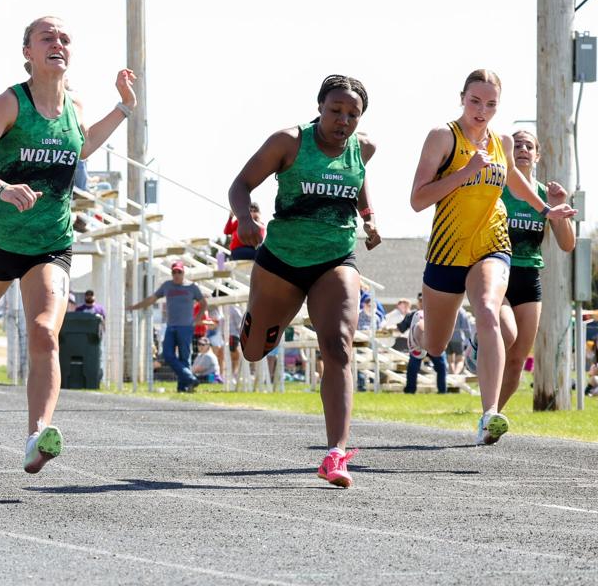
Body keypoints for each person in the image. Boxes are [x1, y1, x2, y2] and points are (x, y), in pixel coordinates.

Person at [0, 16, 136, 474]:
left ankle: (36, 435)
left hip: (50, 243)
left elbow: (84, 144)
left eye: (64, 38)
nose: (58, 43)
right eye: (47, 37)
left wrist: (124, 107)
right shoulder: (9, 104)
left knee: (44, 332)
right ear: (28, 53)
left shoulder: (74, 104)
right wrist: (1, 187)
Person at [228, 75, 380, 488]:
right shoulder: (289, 142)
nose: (343, 120)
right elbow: (241, 184)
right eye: (335, 111)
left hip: (336, 259)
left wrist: (368, 219)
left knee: (339, 345)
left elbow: (358, 181)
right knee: (255, 351)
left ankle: (335, 454)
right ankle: (256, 325)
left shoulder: (363, 147)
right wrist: (245, 219)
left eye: (352, 114)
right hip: (282, 259)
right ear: (319, 108)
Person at [409, 69, 575, 445]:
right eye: (475, 102)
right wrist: (466, 172)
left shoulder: (501, 140)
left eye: (491, 104)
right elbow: (418, 199)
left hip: (491, 244)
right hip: (448, 248)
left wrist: (545, 210)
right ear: (462, 98)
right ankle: (420, 328)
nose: (482, 111)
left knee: (487, 309)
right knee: (435, 344)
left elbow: (515, 179)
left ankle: (489, 415)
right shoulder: (442, 138)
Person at [497, 130, 576, 411]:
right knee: (506, 333)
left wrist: (556, 206)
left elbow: (567, 244)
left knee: (518, 359)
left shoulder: (545, 194)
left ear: (537, 155)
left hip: (529, 276)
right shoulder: (499, 188)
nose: (522, 149)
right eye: (517, 145)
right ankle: (477, 345)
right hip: (498, 273)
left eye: (528, 146)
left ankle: (491, 415)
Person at [128, 261, 208, 393]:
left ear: (183, 273)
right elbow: (152, 299)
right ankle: (190, 378)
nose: (176, 275)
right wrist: (135, 307)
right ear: (171, 273)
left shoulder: (192, 287)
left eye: (179, 272)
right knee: (167, 354)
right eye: (174, 272)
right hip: (171, 326)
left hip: (185, 327)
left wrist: (196, 320)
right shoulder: (167, 286)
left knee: (184, 357)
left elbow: (204, 304)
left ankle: (183, 388)